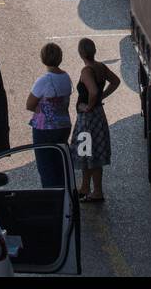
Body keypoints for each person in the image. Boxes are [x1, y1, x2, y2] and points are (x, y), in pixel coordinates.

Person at [70, 38, 120, 203]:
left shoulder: (87, 71)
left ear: (81, 53)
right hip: (99, 116)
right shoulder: (101, 67)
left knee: (86, 152)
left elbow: (91, 91)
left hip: (88, 119)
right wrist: (102, 96)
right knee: (95, 154)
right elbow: (115, 81)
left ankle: (86, 187)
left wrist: (90, 105)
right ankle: (96, 190)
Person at [26, 43, 73, 188]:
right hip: (63, 125)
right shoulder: (66, 77)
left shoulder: (43, 80)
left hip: (44, 128)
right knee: (60, 163)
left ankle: (53, 198)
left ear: (43, 58)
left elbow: (29, 105)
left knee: (46, 167)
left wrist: (41, 108)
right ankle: (65, 195)